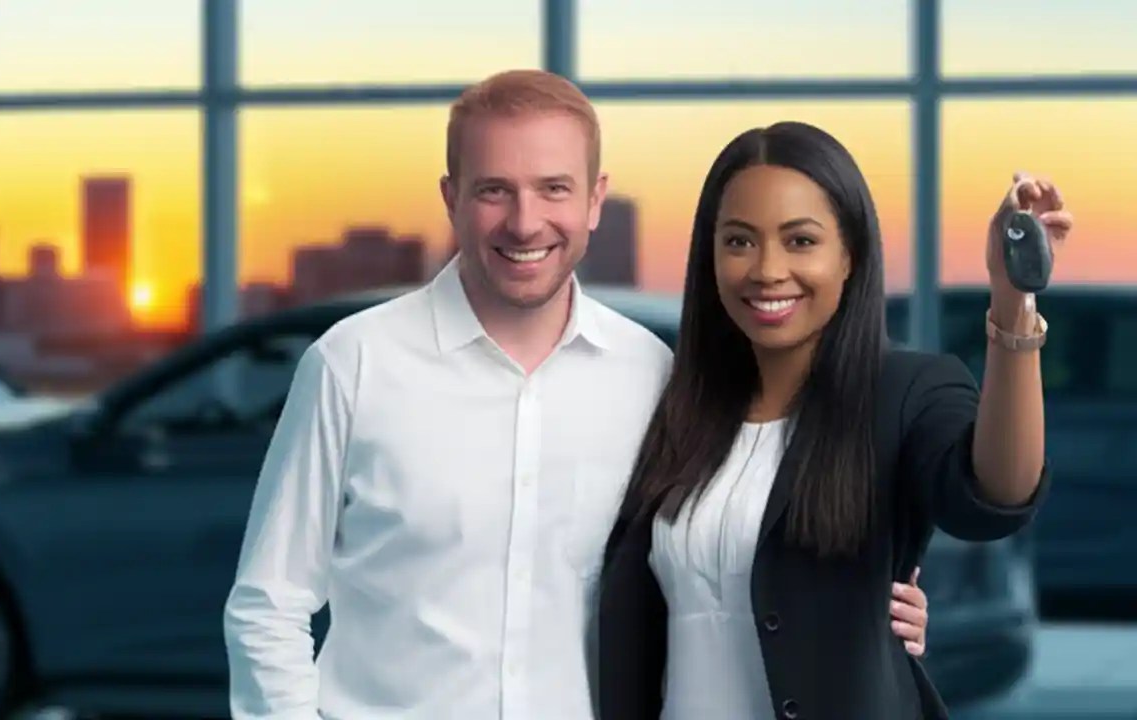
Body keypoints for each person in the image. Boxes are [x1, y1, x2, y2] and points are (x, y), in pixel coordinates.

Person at [222, 70, 930, 720]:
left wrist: (862, 606)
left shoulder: (654, 377)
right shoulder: (353, 364)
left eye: (554, 189)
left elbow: (716, 560)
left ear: (595, 200)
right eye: (494, 190)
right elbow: (268, 604)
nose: (525, 222)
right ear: (451, 199)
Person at [596, 121, 1071, 720]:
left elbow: (998, 494)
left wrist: (1012, 299)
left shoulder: (905, 390)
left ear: (850, 254)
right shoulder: (675, 408)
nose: (767, 269)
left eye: (800, 241)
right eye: (739, 241)